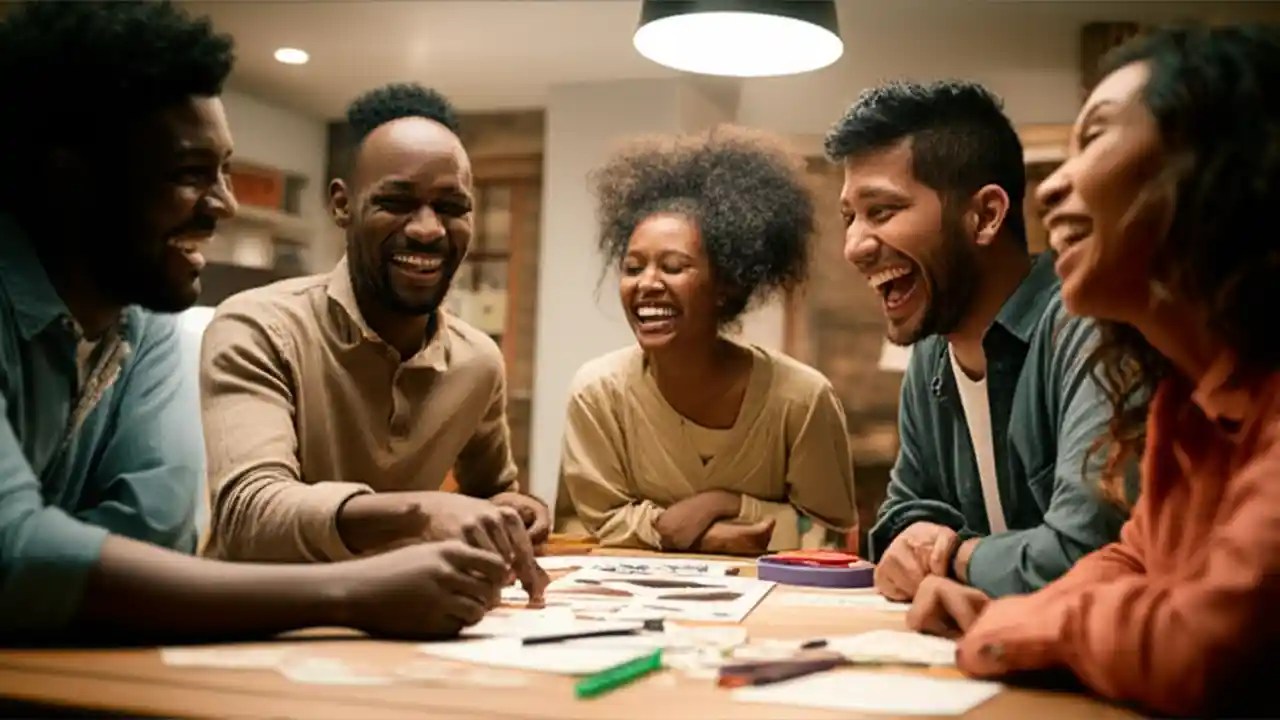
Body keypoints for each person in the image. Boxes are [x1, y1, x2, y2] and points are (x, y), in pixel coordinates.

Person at [0, 0, 509, 641]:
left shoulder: (145, 321)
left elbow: (154, 535)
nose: (227, 204)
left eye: (225, 170)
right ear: (69, 174)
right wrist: (352, 590)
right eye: (190, 173)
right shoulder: (254, 324)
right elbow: (16, 552)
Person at [908, 24, 1280, 717]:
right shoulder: (1187, 405)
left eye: (1097, 137)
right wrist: (1013, 611)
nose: (1050, 189)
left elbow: (1208, 646)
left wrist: (1014, 626)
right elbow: (1131, 563)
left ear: (1212, 164)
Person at [199, 82, 547, 598]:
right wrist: (420, 512)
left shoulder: (478, 362)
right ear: (343, 206)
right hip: (257, 623)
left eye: (452, 206)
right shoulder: (259, 328)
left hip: (405, 624)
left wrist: (523, 511)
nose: (428, 229)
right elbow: (250, 516)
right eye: (397, 202)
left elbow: (492, 492)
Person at [825, 80, 1130, 599]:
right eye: (849, 217)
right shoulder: (931, 351)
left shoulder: (1090, 326)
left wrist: (953, 555)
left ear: (986, 215)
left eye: (882, 211)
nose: (854, 246)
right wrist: (913, 543)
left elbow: (1087, 557)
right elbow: (904, 516)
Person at [559, 126, 859, 555]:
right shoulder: (600, 392)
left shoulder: (801, 398)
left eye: (674, 266)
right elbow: (582, 524)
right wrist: (705, 535)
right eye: (633, 266)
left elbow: (832, 537)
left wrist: (726, 504)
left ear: (727, 285)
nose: (647, 284)